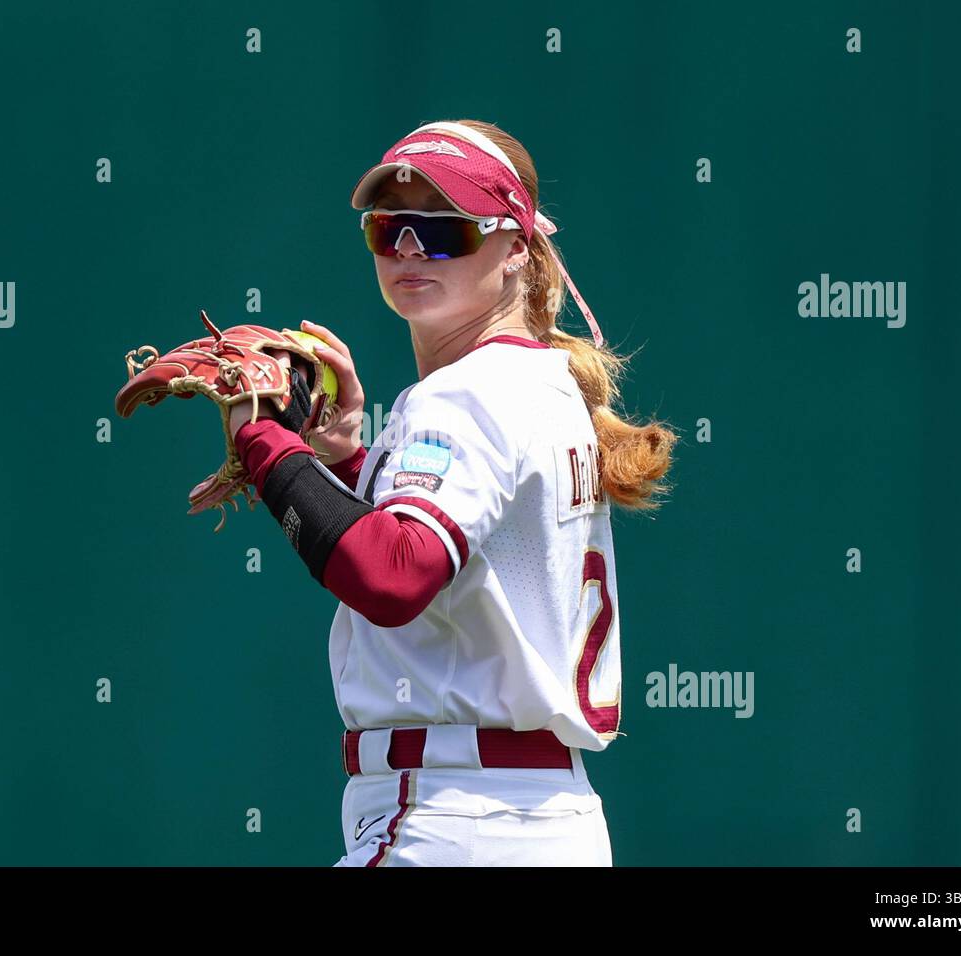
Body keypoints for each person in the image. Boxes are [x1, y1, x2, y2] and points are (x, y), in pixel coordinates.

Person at [227, 119, 676, 866]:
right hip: (542, 819)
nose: (408, 248)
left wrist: (265, 444)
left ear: (515, 251)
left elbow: (393, 575)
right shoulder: (539, 384)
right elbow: (466, 571)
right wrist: (346, 463)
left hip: (450, 817)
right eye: (389, 227)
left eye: (444, 231)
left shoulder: (466, 393)